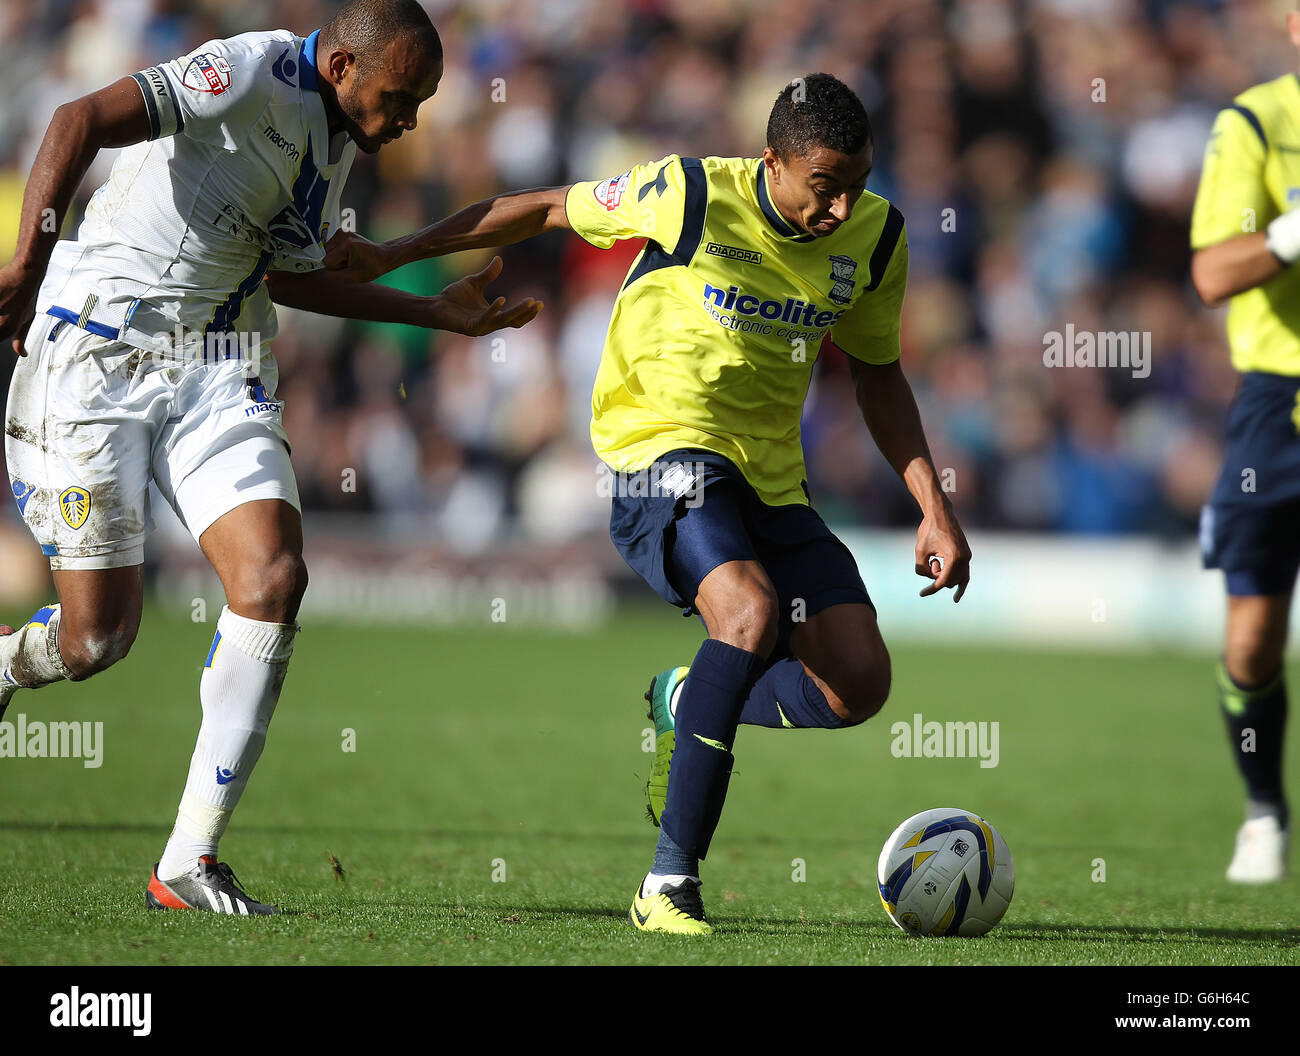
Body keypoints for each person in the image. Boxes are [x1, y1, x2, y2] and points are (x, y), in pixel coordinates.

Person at [327, 73, 971, 933]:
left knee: (858, 682)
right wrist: (392, 253)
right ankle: (667, 883)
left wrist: (933, 503)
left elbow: (879, 376)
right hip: (655, 450)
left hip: (772, 478)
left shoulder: (878, 237)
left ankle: (689, 696)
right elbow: (545, 208)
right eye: (824, 186)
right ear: (772, 160)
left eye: (856, 182)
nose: (840, 205)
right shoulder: (691, 192)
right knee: (744, 612)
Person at [0, 0, 540, 915]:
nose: (410, 119)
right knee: (99, 639)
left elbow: (280, 272)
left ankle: (188, 862)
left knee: (274, 579)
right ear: (342, 67)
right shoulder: (244, 74)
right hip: (97, 357)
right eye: (403, 97)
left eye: (423, 102)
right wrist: (25, 260)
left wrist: (432, 312)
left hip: (217, 367)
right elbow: (77, 120)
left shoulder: (335, 141)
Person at [1188, 7, 1300, 884]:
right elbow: (1213, 273)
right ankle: (1264, 807)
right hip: (1281, 404)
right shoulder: (1259, 121)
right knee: (1252, 642)